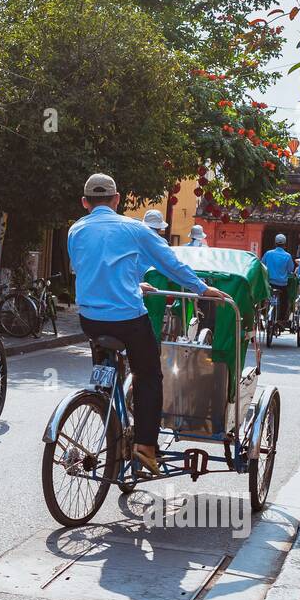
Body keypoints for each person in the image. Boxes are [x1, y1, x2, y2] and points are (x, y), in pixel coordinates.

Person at [68, 173, 226, 476]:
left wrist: (133, 284)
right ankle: (145, 446)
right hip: (127, 319)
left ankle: (104, 405)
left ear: (85, 202)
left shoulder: (75, 230)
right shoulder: (133, 228)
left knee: (107, 368)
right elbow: (169, 263)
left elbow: (89, 268)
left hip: (89, 319)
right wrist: (201, 288)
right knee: (149, 375)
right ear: (116, 200)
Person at [261, 234, 295, 326]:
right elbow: (290, 270)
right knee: (284, 300)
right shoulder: (287, 256)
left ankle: (262, 314)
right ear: (284, 244)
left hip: (269, 283)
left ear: (275, 243)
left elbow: (262, 265)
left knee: (263, 296)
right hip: (282, 284)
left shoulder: (268, 253)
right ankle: (281, 319)